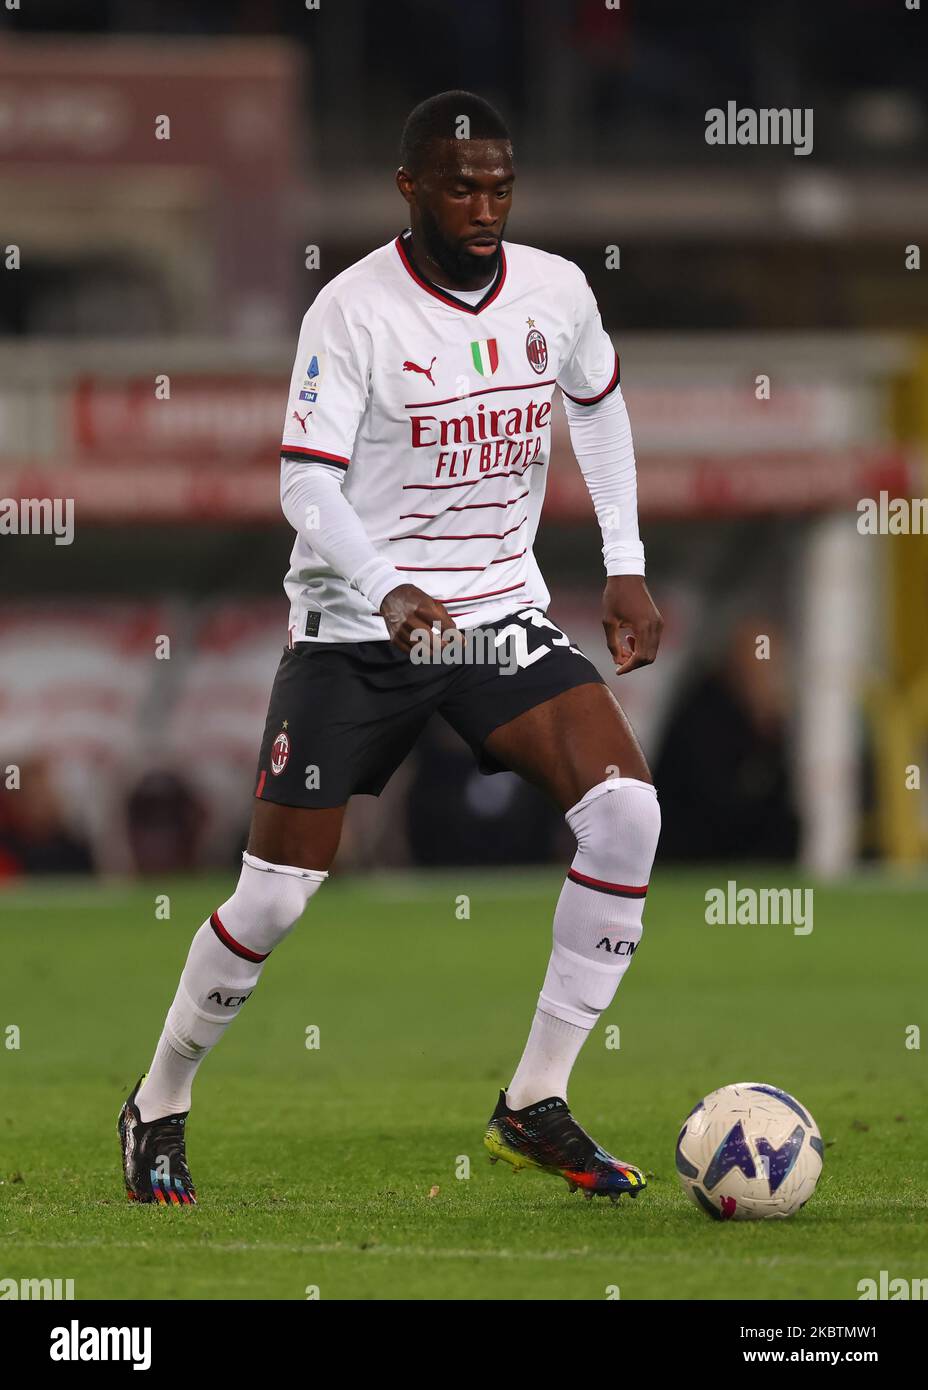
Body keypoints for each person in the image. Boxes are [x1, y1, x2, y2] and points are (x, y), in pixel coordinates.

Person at [118, 91, 663, 1207]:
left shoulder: (556, 291)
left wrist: (624, 558)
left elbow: (597, 406)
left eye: (500, 186)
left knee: (626, 811)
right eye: (460, 184)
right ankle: (160, 1100)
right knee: (273, 897)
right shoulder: (351, 311)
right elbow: (303, 480)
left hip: (495, 613)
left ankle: (532, 1101)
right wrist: (385, 586)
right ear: (408, 185)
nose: (484, 205)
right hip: (357, 627)